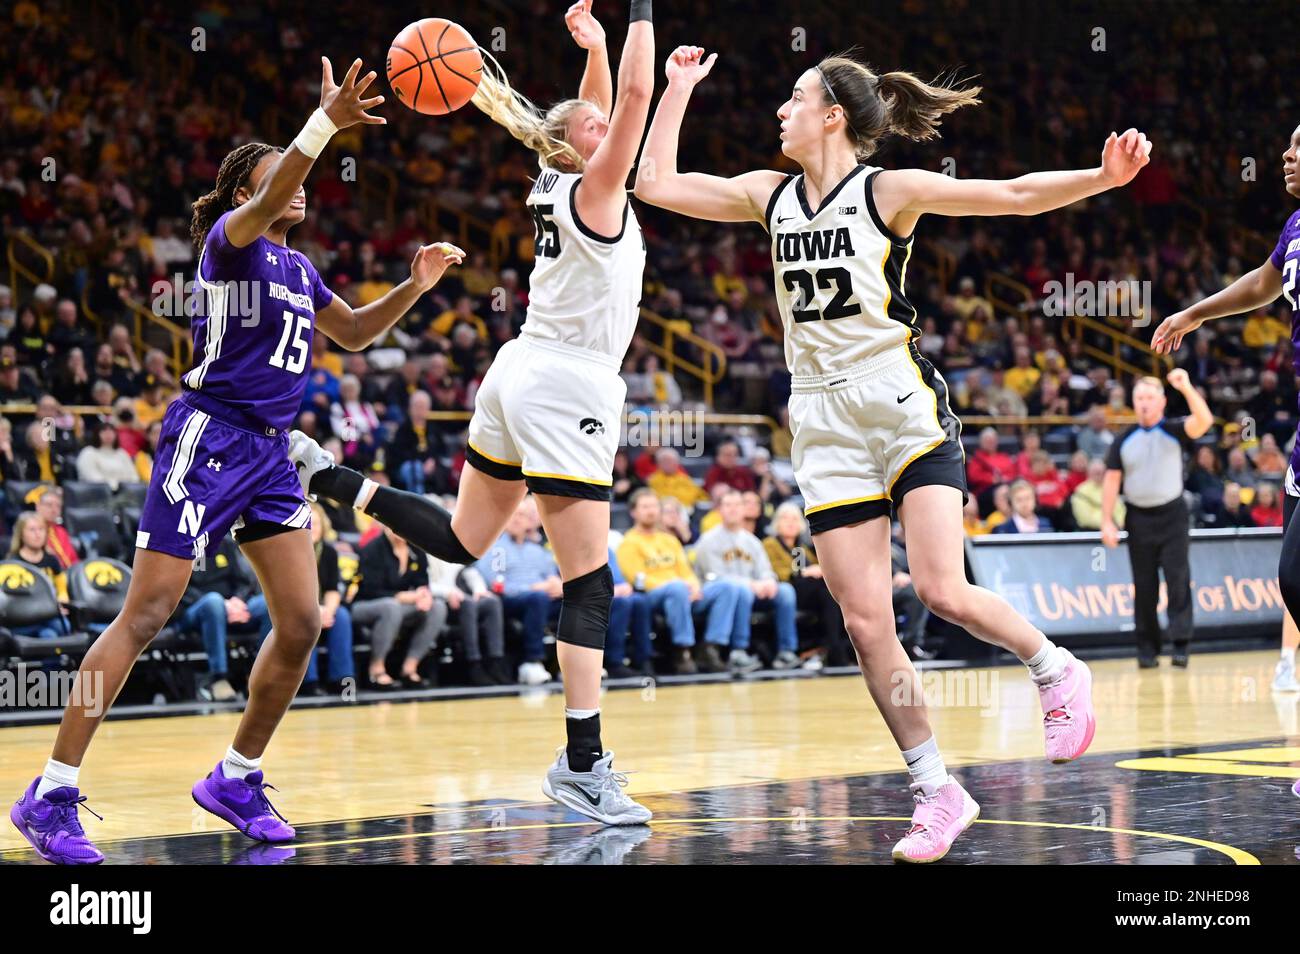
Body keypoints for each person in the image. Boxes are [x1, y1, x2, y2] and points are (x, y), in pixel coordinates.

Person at [634, 44, 1151, 861]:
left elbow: (1012, 197)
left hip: (898, 398)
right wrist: (675, 91)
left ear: (831, 115)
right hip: (820, 418)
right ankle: (936, 789)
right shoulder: (767, 196)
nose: (779, 110)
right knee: (867, 621)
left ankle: (1055, 668)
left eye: (793, 97)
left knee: (942, 589)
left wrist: (1099, 178)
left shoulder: (887, 191)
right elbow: (654, 183)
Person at [10, 56, 465, 864]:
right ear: (245, 194)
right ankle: (48, 794)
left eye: (299, 175)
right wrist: (322, 125)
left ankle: (236, 776)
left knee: (300, 620)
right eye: (278, 175)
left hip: (269, 456)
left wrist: (416, 286)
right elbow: (270, 189)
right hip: (206, 437)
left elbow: (354, 334)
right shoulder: (230, 245)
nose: (300, 184)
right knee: (145, 615)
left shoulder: (299, 267)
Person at [293, 0, 656, 825]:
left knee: (463, 542)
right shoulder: (596, 187)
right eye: (594, 126)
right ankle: (582, 765)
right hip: (569, 386)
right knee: (591, 583)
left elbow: (595, 109)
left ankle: (331, 477)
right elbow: (629, 100)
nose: (608, 128)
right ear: (580, 146)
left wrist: (592, 51)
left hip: (516, 371)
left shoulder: (558, 174)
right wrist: (635, 20)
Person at [1152, 124, 1300, 697]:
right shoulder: (1294, 226)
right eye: (1284, 143)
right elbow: (1263, 283)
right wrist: (1196, 313)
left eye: (1297, 146)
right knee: (1293, 578)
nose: (1285, 154)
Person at [1099, 371, 1213, 668]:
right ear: (1133, 403)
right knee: (1144, 585)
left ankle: (1181, 644)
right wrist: (1106, 521)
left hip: (1173, 515)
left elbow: (1205, 421)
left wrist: (1186, 387)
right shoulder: (1123, 440)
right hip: (1138, 519)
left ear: (1162, 402)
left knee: (1178, 580)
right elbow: (1111, 481)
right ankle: (1147, 648)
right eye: (1139, 398)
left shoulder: (1175, 430)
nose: (1144, 403)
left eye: (1150, 397)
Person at [615, 488, 741, 674]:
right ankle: (682, 651)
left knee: (726, 588)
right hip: (652, 597)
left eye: (654, 506)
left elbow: (686, 570)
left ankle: (711, 647)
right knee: (677, 588)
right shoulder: (628, 542)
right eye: (645, 507)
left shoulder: (669, 540)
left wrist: (694, 586)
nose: (650, 511)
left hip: (682, 593)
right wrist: (676, 586)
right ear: (633, 512)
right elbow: (638, 579)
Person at [693, 488, 799, 671]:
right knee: (739, 590)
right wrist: (751, 584)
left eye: (737, 505)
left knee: (785, 591)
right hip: (718, 595)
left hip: (752, 591)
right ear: (719, 510)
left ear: (744, 510)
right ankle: (738, 651)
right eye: (728, 505)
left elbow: (766, 571)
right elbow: (715, 577)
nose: (733, 509)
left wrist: (768, 581)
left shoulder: (752, 542)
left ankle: (786, 652)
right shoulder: (708, 540)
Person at [475, 495, 564, 687]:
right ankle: (532, 662)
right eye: (512, 515)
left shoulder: (538, 551)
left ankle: (567, 664)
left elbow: (551, 576)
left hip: (541, 599)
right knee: (537, 598)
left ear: (529, 521)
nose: (517, 519)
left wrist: (558, 585)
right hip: (509, 601)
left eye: (522, 515)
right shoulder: (497, 549)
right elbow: (497, 585)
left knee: (576, 601)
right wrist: (533, 588)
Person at [173, 535, 273, 702]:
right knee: (214, 602)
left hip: (231, 606)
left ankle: (258, 674)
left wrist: (238, 600)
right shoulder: (180, 542)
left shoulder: (225, 542)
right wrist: (224, 604)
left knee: (268, 603)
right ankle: (219, 679)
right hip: (192, 610)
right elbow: (181, 589)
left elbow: (244, 581)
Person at [350, 525, 446, 689]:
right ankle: (376, 668)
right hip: (364, 605)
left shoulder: (416, 550)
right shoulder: (372, 549)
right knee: (390, 607)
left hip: (398, 606)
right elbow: (368, 589)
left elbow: (422, 583)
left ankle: (410, 667)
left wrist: (424, 597)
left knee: (437, 606)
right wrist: (401, 596)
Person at [764, 502, 847, 668]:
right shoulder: (770, 544)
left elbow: (815, 568)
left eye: (795, 519)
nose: (790, 522)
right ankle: (835, 649)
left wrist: (812, 570)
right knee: (825, 590)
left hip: (810, 591)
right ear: (777, 523)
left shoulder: (799, 548)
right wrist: (805, 572)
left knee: (831, 592)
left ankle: (837, 646)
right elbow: (779, 572)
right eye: (785, 519)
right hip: (785, 590)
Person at [6, 511, 71, 639]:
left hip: (48, 614)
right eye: (32, 530)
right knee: (49, 633)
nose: (38, 534)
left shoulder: (52, 560)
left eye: (41, 529)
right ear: (21, 535)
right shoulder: (13, 562)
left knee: (56, 630)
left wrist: (61, 602)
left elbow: (62, 589)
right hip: (22, 616)